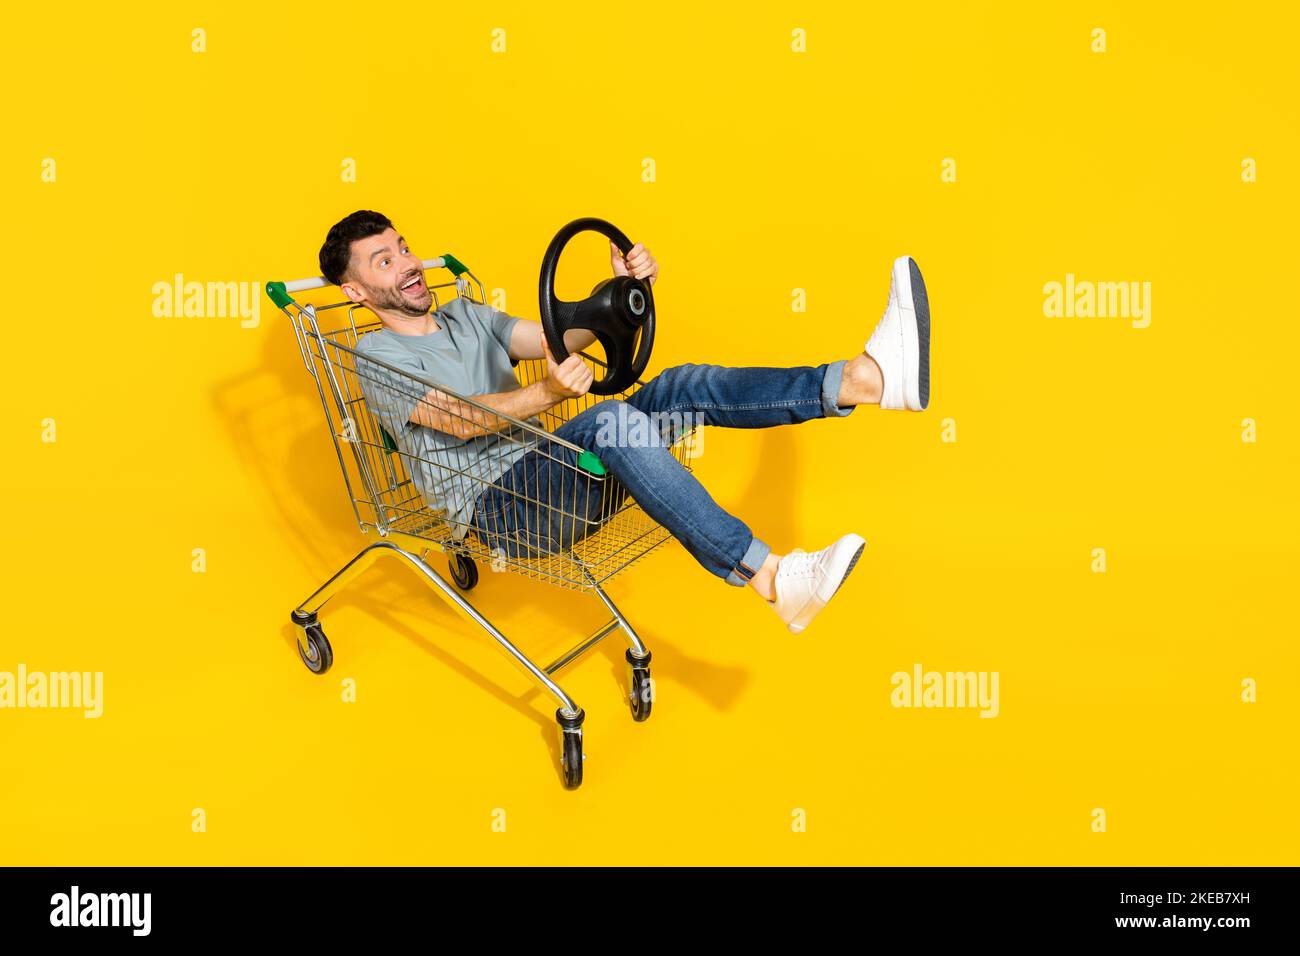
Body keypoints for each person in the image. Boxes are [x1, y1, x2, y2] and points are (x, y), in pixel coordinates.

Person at [320, 210, 931, 634]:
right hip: (504, 512)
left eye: (403, 247)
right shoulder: (375, 357)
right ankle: (769, 577)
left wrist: (621, 292)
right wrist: (545, 393)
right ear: (355, 292)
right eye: (383, 260)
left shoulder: (466, 316)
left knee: (680, 384)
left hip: (553, 466)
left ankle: (862, 380)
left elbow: (561, 334)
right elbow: (454, 421)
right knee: (612, 419)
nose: (407, 262)